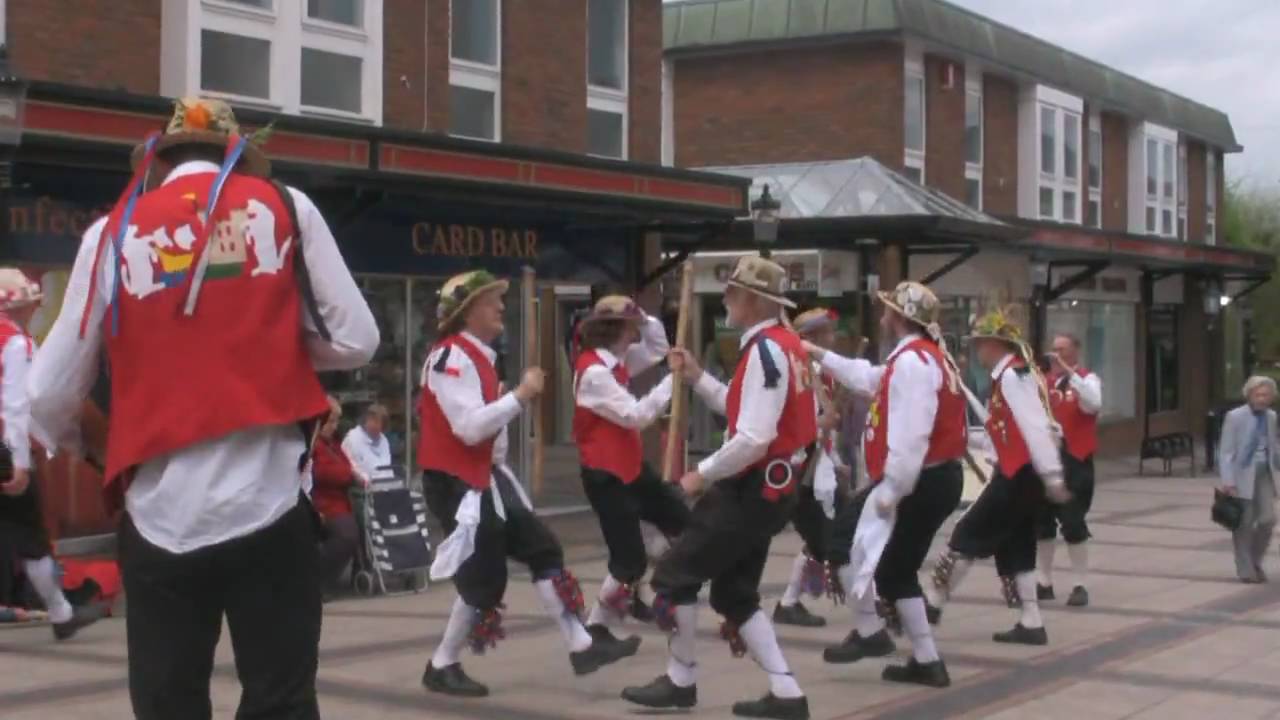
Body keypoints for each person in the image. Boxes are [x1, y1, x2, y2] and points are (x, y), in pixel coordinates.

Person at [27, 96, 379, 720]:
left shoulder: (110, 232)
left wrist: (86, 447)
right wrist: (268, 351)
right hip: (270, 506)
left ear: (159, 165)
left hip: (159, 516)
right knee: (281, 702)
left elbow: (49, 394)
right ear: (238, 160)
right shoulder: (287, 208)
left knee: (168, 705)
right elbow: (357, 339)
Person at [419, 270, 636, 699]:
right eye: (491, 301)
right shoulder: (450, 358)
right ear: (467, 312)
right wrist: (519, 395)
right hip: (456, 482)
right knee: (484, 577)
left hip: (486, 477)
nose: (501, 307)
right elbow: (467, 428)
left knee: (542, 549)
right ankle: (442, 663)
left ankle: (581, 645)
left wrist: (503, 469)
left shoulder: (478, 356)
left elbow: (486, 436)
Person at [622, 255, 817, 720]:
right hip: (769, 491)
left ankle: (680, 680)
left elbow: (753, 437)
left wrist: (700, 473)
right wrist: (696, 377)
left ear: (752, 300)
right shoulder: (784, 345)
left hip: (750, 489)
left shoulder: (767, 350)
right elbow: (742, 407)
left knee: (674, 576)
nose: (726, 299)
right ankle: (787, 692)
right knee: (733, 594)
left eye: (731, 292)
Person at [807, 282, 966, 688]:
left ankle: (869, 632)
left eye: (887, 309)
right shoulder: (922, 358)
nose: (882, 315)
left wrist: (892, 490)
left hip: (918, 478)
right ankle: (926, 661)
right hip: (932, 477)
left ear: (898, 317)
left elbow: (912, 434)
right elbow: (870, 378)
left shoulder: (914, 363)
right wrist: (819, 354)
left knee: (842, 541)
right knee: (897, 570)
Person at [923, 305, 1069, 647]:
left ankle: (932, 601)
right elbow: (1004, 428)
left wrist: (1052, 476)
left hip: (1020, 473)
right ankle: (1031, 621)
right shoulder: (1016, 374)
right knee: (1017, 543)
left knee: (967, 534)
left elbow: (1035, 427)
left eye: (980, 344)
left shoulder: (1012, 376)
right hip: (1025, 473)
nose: (977, 352)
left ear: (995, 344)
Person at [573, 295, 688, 646]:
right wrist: (674, 380)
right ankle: (596, 627)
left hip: (631, 470)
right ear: (620, 329)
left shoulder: (618, 361)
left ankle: (657, 586)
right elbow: (635, 415)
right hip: (606, 477)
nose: (638, 328)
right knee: (628, 561)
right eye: (631, 323)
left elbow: (657, 347)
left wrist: (642, 313)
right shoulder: (594, 372)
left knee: (683, 522)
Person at [0, 269, 101, 640]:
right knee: (29, 533)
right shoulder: (15, 343)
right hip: (4, 448)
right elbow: (15, 407)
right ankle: (60, 612)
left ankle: (60, 610)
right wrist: (20, 462)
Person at [772, 307, 848, 629]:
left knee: (835, 535)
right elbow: (788, 424)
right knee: (827, 540)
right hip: (799, 470)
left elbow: (825, 432)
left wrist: (837, 461)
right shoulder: (796, 373)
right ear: (811, 339)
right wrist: (821, 423)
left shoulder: (825, 375)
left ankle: (790, 602)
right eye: (825, 333)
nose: (832, 338)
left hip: (822, 469)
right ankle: (872, 612)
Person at [1038, 333, 1102, 606]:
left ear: (1075, 350)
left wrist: (1068, 373)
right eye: (1054, 350)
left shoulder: (1088, 379)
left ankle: (1079, 584)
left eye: (1062, 349)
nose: (1056, 355)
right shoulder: (1045, 383)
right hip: (1048, 459)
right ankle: (1044, 580)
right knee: (1041, 522)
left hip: (1076, 460)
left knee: (1073, 522)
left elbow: (1093, 404)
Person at [1217, 376, 1279, 584]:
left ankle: (1254, 560)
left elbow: (1273, 446)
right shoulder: (1235, 417)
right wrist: (1228, 481)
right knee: (1244, 523)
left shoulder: (1271, 416)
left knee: (1267, 520)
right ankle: (1245, 568)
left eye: (1266, 395)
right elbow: (1226, 452)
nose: (1262, 399)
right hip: (1242, 474)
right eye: (1258, 395)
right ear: (1249, 395)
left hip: (1265, 473)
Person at [313, 396, 362, 594]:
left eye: (336, 421)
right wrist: (347, 475)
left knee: (362, 526)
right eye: (331, 420)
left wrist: (347, 474)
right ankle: (318, 579)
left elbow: (346, 467)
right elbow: (323, 473)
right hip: (323, 504)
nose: (334, 426)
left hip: (339, 502)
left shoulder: (331, 444)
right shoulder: (314, 445)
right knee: (346, 535)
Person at [342, 403, 393, 483]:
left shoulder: (384, 441)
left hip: (385, 486)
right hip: (363, 488)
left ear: (383, 426)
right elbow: (350, 464)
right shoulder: (352, 438)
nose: (372, 424)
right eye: (370, 420)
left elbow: (387, 467)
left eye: (376, 422)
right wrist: (365, 480)